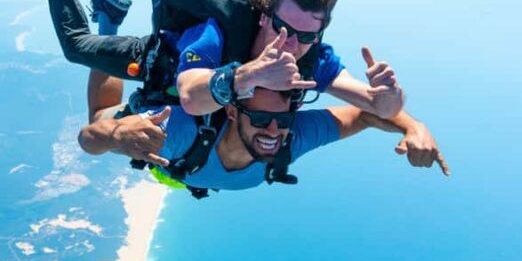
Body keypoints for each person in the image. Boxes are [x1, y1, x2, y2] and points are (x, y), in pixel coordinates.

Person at [0, 0, 403, 123]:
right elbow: (191, 94)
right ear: (264, 16)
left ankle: (110, 12)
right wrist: (250, 75)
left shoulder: (314, 57)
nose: (292, 44)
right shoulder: (216, 31)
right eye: (283, 28)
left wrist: (387, 98)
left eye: (307, 36)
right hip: (164, 60)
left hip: (219, 92)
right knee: (76, 46)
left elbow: (376, 106)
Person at [78, 86, 450, 194]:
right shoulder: (178, 130)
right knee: (100, 115)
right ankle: (109, 17)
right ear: (232, 113)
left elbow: (366, 113)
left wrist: (414, 127)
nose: (273, 131)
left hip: (186, 171)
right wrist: (115, 134)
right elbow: (87, 140)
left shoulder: (294, 136)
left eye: (283, 120)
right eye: (259, 119)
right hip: (172, 143)